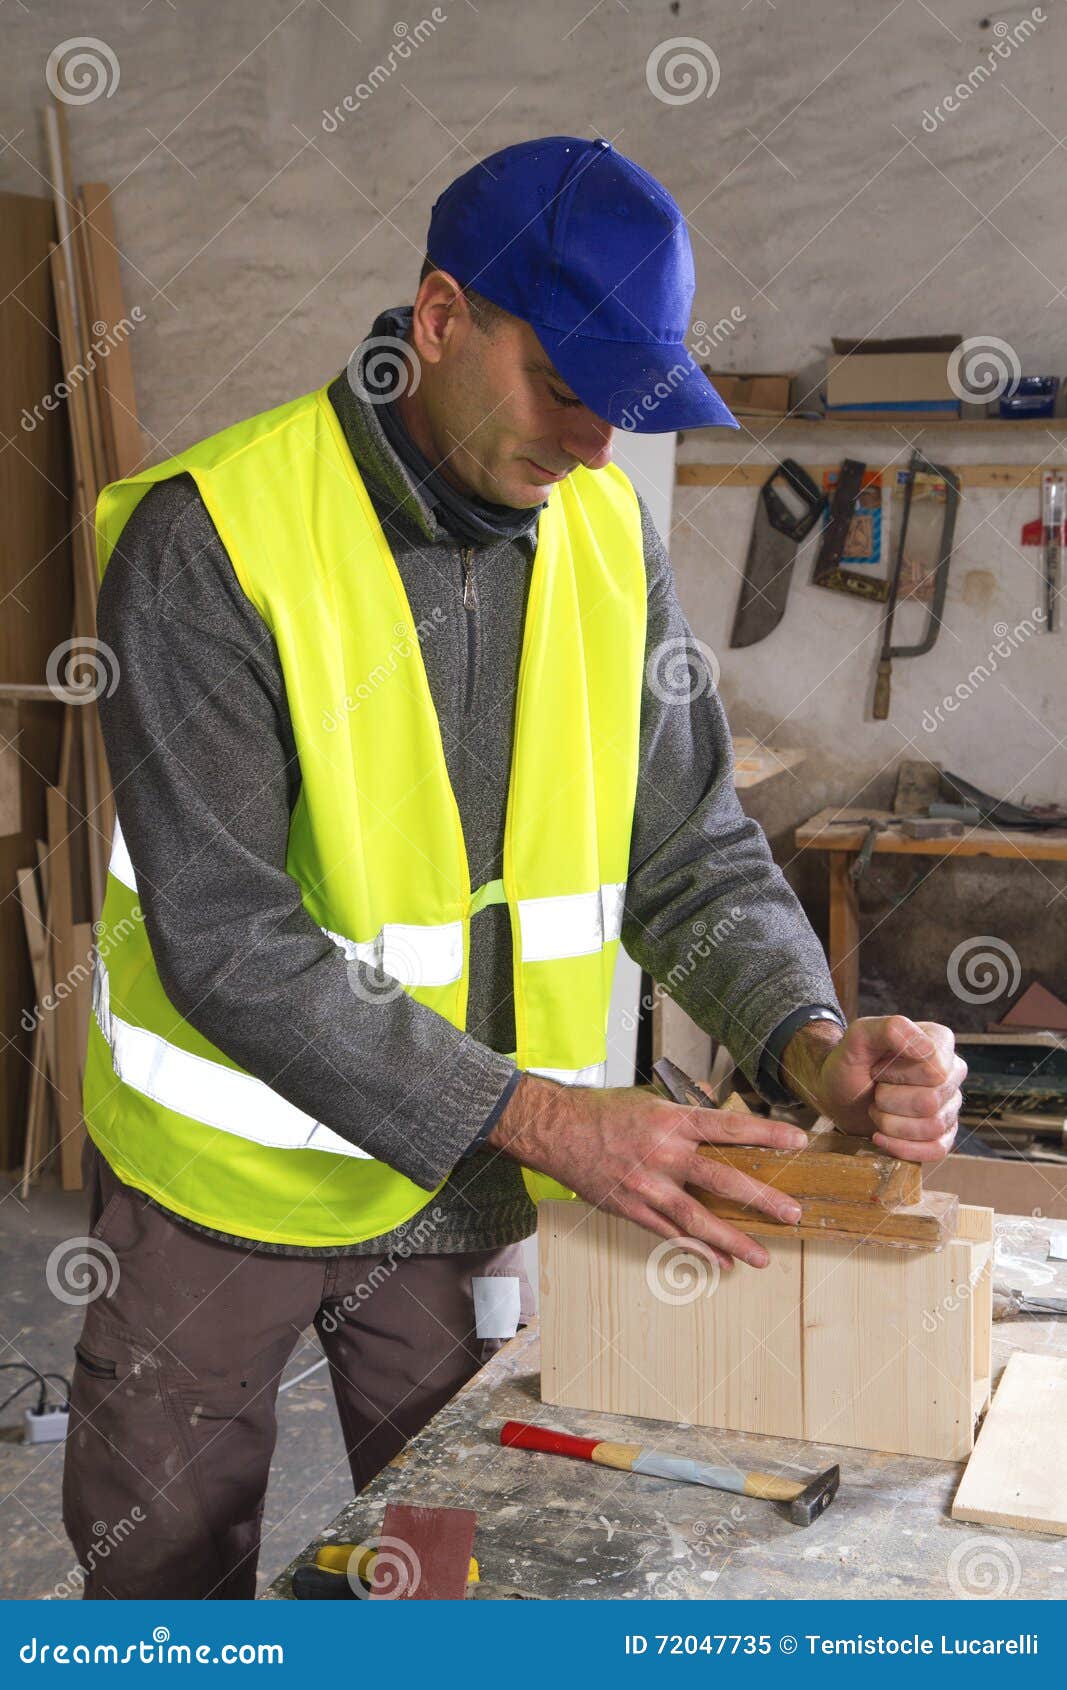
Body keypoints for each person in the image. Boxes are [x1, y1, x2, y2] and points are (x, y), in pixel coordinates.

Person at [64, 136, 964, 1598]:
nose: (597, 444)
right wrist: (547, 1117)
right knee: (166, 1584)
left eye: (623, 405)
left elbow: (687, 846)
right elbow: (229, 938)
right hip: (222, 1200)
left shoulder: (606, 530)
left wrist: (807, 1043)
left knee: (467, 1566)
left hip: (474, 1193)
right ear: (436, 318)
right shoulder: (208, 538)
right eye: (563, 388)